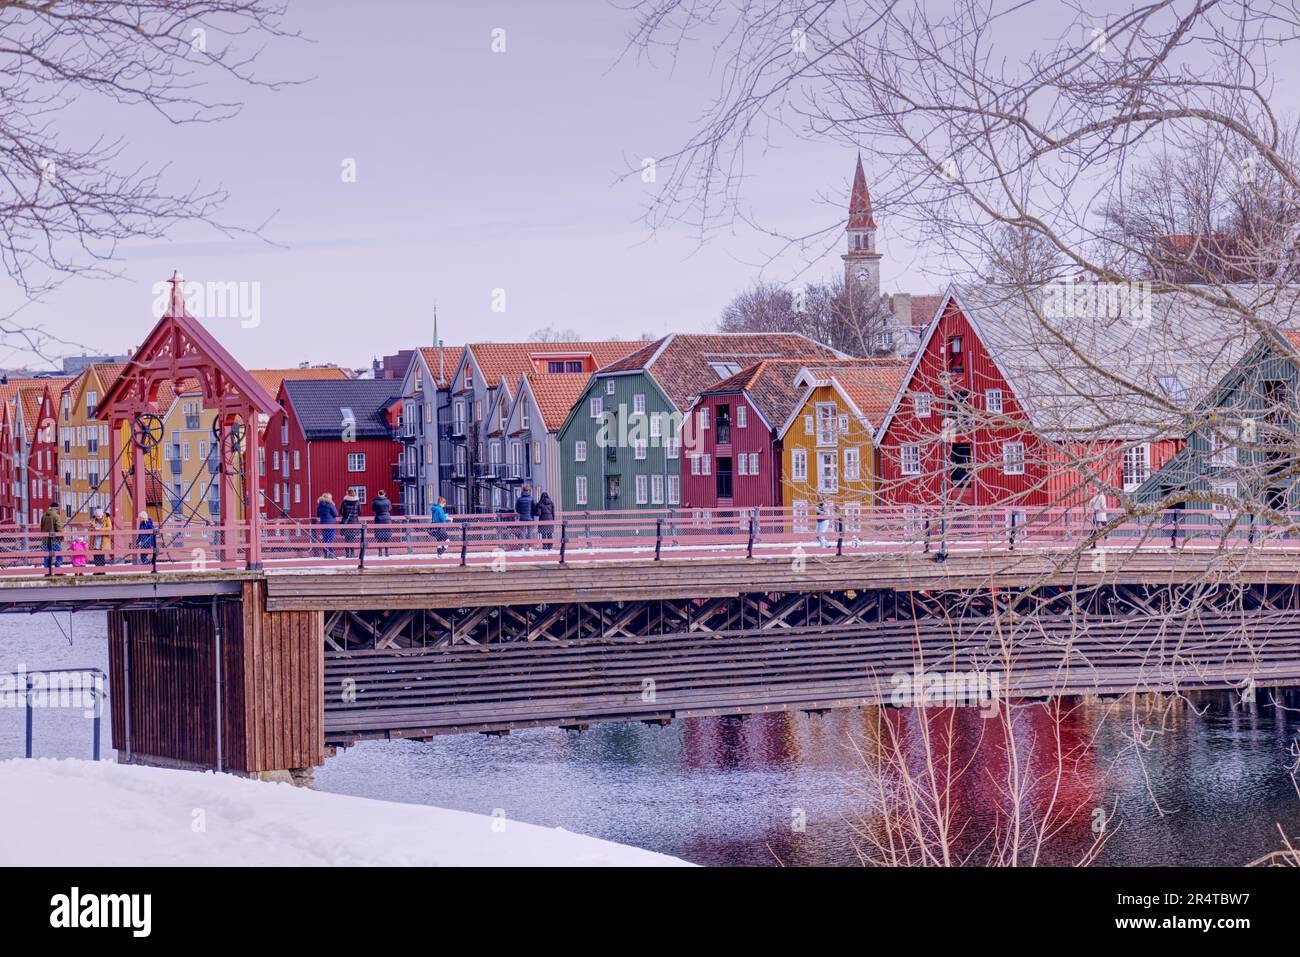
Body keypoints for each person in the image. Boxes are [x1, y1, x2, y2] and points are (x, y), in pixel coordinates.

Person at [40, 500, 64, 572]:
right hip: (54, 539)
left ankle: (47, 570)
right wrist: (61, 537)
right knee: (59, 553)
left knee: (47, 554)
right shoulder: (56, 516)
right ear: (56, 508)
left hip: (45, 539)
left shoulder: (44, 515)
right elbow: (59, 528)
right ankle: (57, 568)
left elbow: (42, 527)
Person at [316, 492, 339, 559]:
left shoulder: (320, 505)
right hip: (331, 524)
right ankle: (331, 554)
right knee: (330, 538)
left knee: (325, 538)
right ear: (329, 498)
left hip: (323, 523)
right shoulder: (330, 505)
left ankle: (325, 553)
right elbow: (336, 514)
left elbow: (318, 515)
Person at [89, 508, 112, 572]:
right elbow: (90, 528)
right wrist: (93, 529)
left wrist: (100, 529)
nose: (98, 517)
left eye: (99, 516)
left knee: (101, 556)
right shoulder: (93, 520)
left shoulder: (107, 519)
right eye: (97, 516)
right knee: (96, 556)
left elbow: (109, 528)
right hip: (95, 541)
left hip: (103, 541)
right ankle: (97, 570)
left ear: (102, 515)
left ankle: (102, 570)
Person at [339, 488, 362, 555]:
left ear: (347, 493)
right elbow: (360, 512)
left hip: (346, 521)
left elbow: (341, 511)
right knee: (352, 538)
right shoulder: (357, 502)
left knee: (347, 538)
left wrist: (345, 515)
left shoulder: (344, 501)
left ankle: (347, 553)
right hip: (354, 522)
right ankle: (352, 553)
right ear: (354, 493)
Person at [371, 489, 393, 556]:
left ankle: (380, 552)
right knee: (387, 536)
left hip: (378, 519)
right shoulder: (388, 501)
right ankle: (386, 552)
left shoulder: (375, 501)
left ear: (378, 494)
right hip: (387, 519)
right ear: (384, 494)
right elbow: (390, 509)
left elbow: (373, 509)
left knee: (379, 536)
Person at [514, 483, 536, 551]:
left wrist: (521, 513)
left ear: (522, 490)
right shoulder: (531, 498)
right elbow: (534, 508)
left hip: (522, 518)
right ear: (529, 490)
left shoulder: (519, 499)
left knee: (522, 533)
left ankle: (522, 547)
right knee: (530, 533)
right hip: (530, 518)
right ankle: (530, 547)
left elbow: (517, 508)